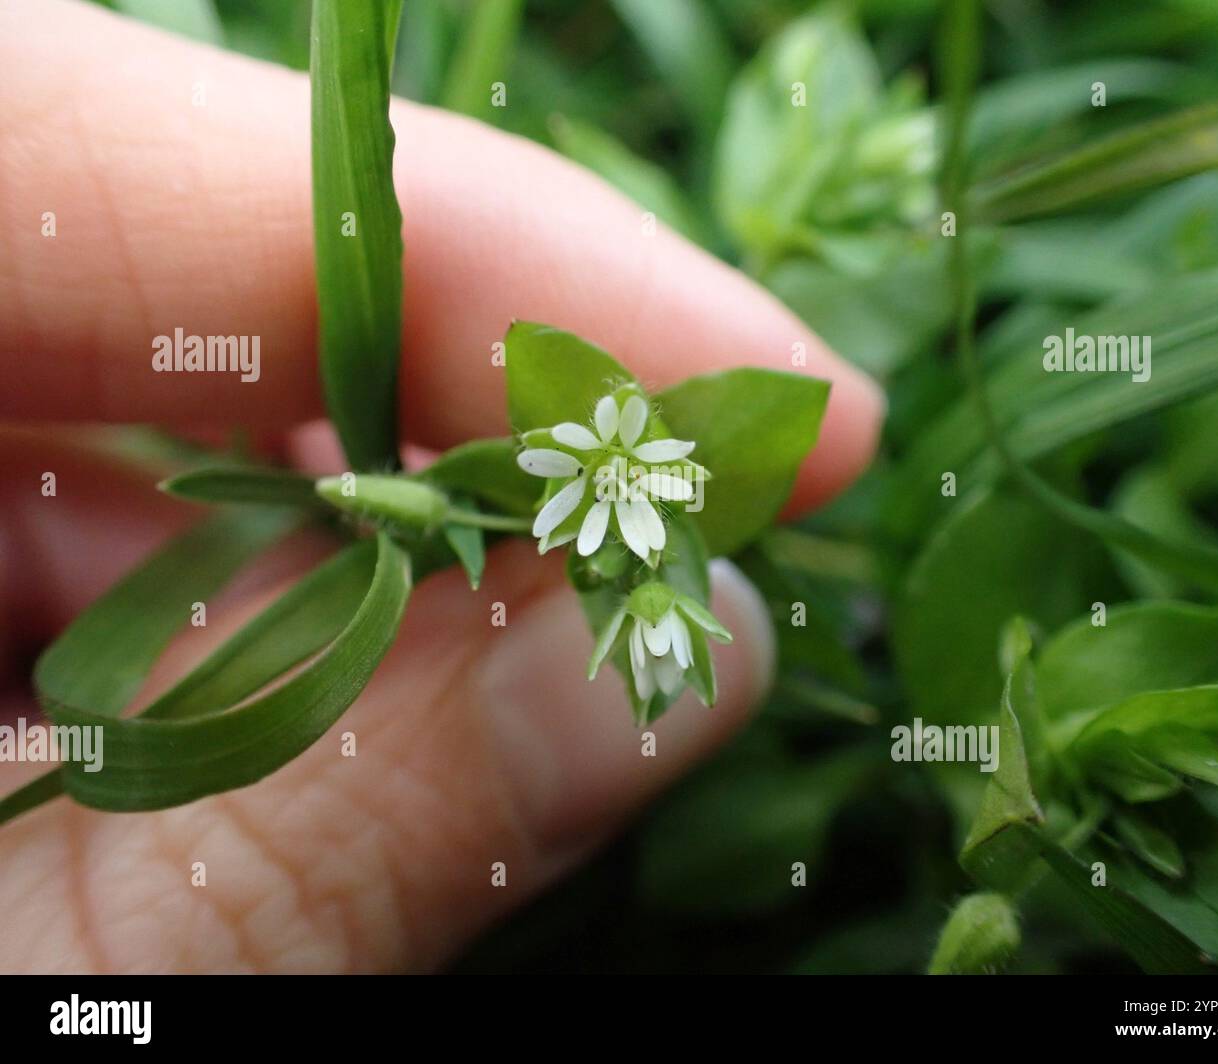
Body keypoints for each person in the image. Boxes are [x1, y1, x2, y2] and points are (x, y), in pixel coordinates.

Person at [0, 0, 883, 972]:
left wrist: (623, 520)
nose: (623, 475)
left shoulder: (618, 491)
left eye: (632, 473)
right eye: (615, 468)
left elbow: (646, 462)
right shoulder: (587, 476)